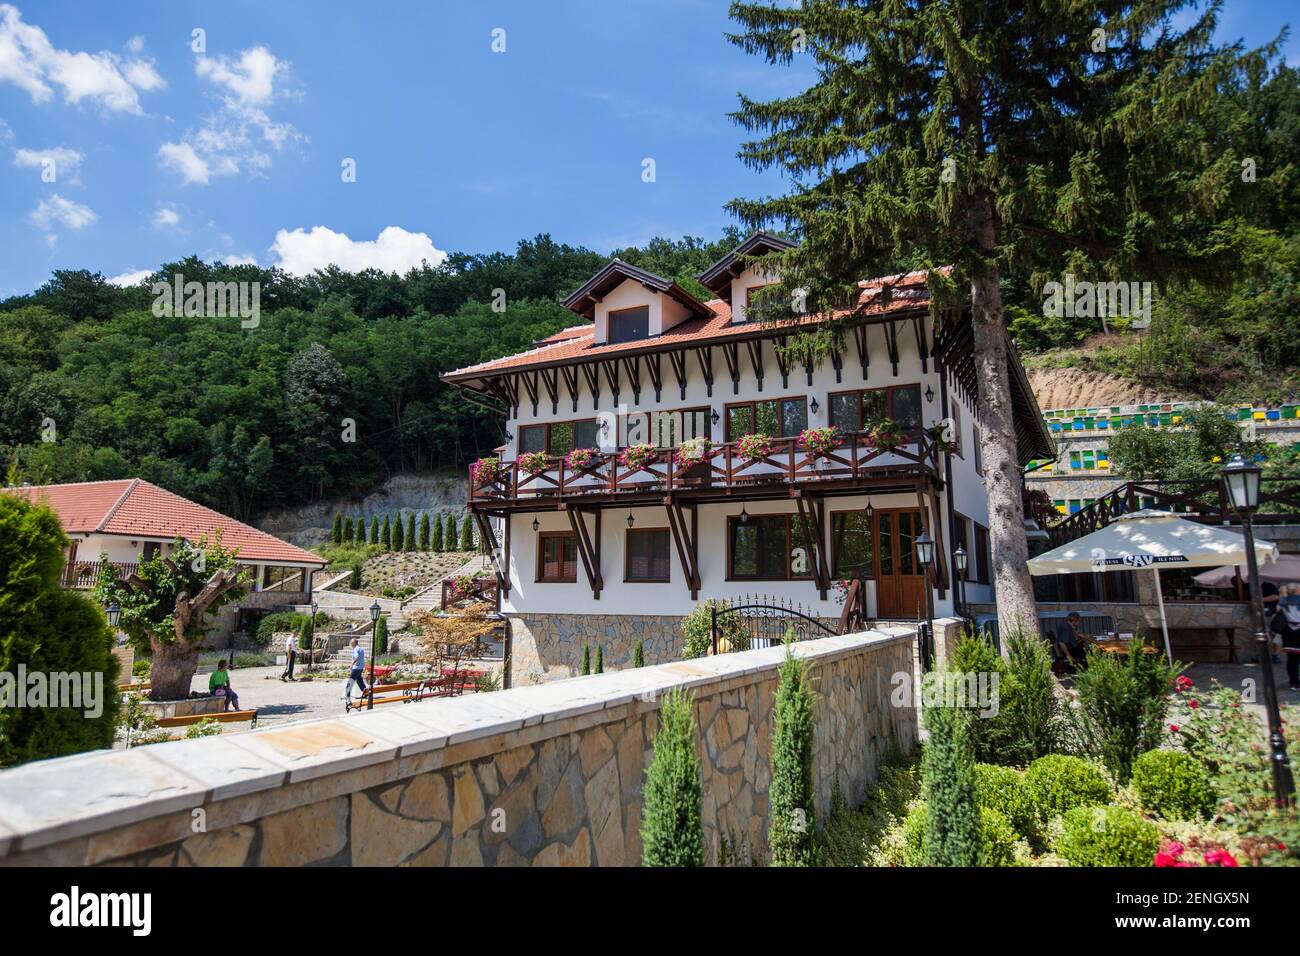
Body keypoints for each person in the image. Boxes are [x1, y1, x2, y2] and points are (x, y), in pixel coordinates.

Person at [1271, 583, 1300, 691]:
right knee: (1293, 660)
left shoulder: (1283, 602)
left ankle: (1294, 683)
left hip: (1289, 633)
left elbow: (1278, 612)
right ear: (1297, 591)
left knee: (1292, 660)